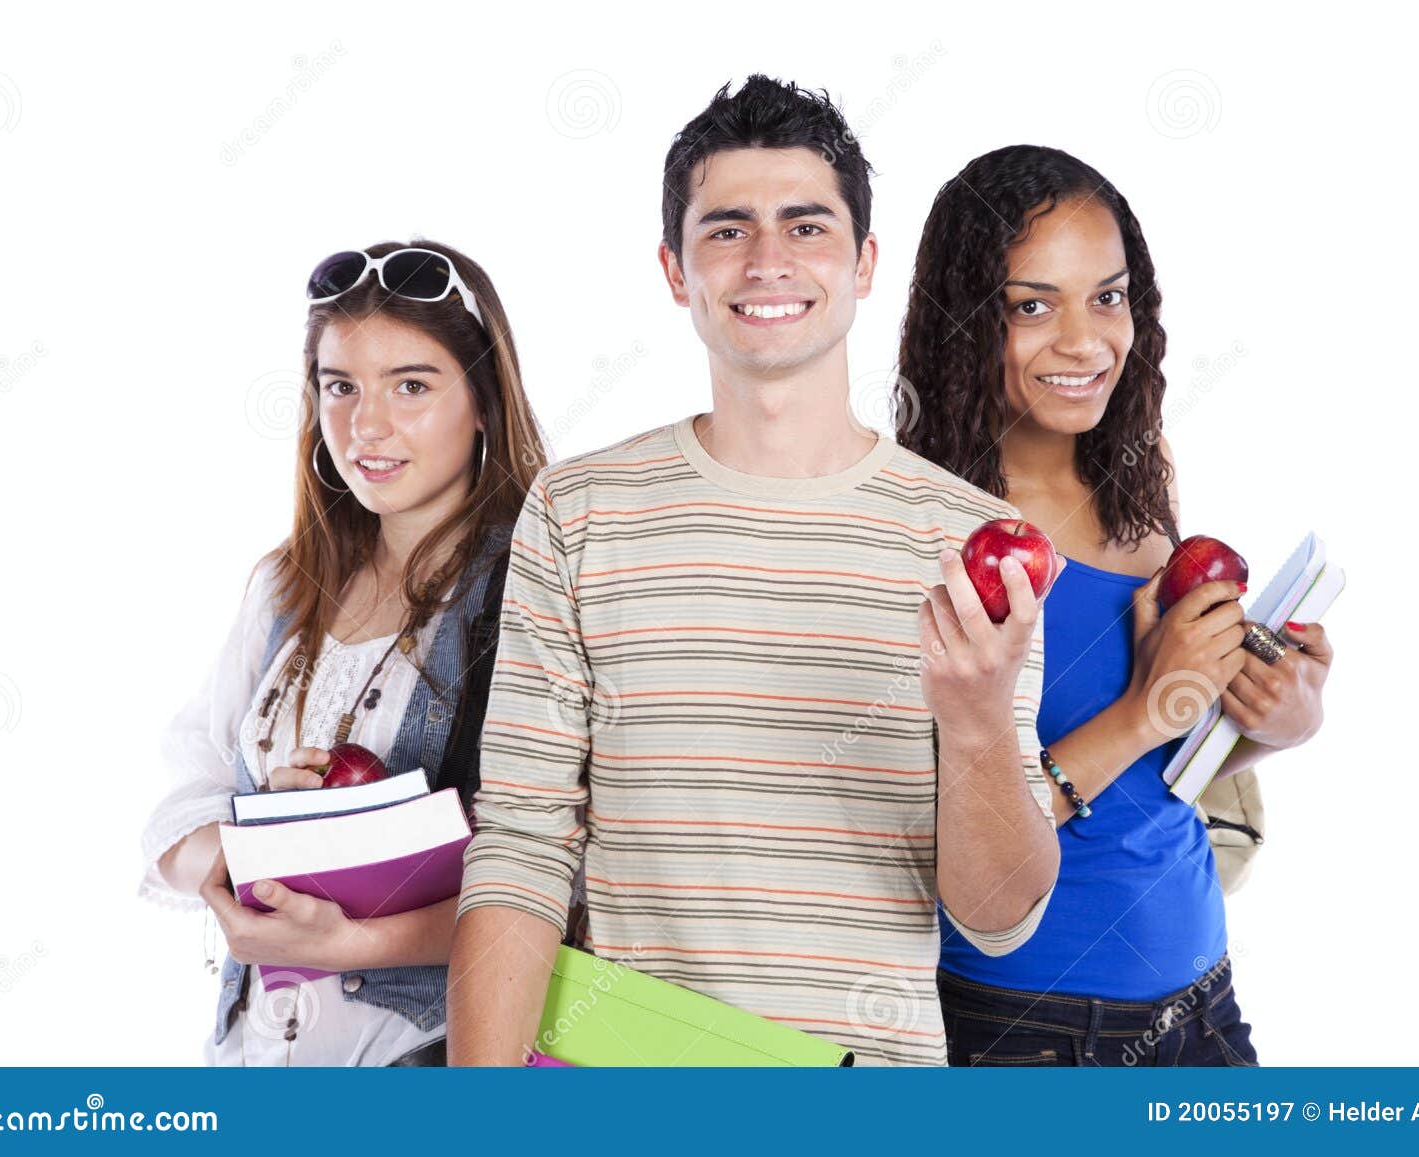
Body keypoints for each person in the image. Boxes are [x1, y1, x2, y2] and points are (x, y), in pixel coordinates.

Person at [446, 76, 1059, 1068]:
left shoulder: (968, 537)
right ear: (675, 269)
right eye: (726, 229)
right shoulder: (575, 512)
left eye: (805, 226)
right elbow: (519, 852)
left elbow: (998, 920)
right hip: (626, 1079)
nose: (767, 259)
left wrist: (979, 720)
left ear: (863, 264)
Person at [896, 145, 1334, 1066]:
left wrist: (1272, 716)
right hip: (1028, 1029)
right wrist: (1145, 709)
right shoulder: (931, 529)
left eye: (1108, 296)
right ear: (966, 322)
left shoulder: (1137, 481)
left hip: (1203, 1001)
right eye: (1032, 305)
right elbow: (945, 839)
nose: (1086, 341)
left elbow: (1161, 759)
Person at [139, 240, 545, 1064]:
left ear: (484, 402)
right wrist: (265, 841)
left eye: (412, 386)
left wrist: (352, 940)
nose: (367, 425)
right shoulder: (285, 587)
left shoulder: (534, 589)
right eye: (341, 386)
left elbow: (552, 877)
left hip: (421, 1057)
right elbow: (181, 802)